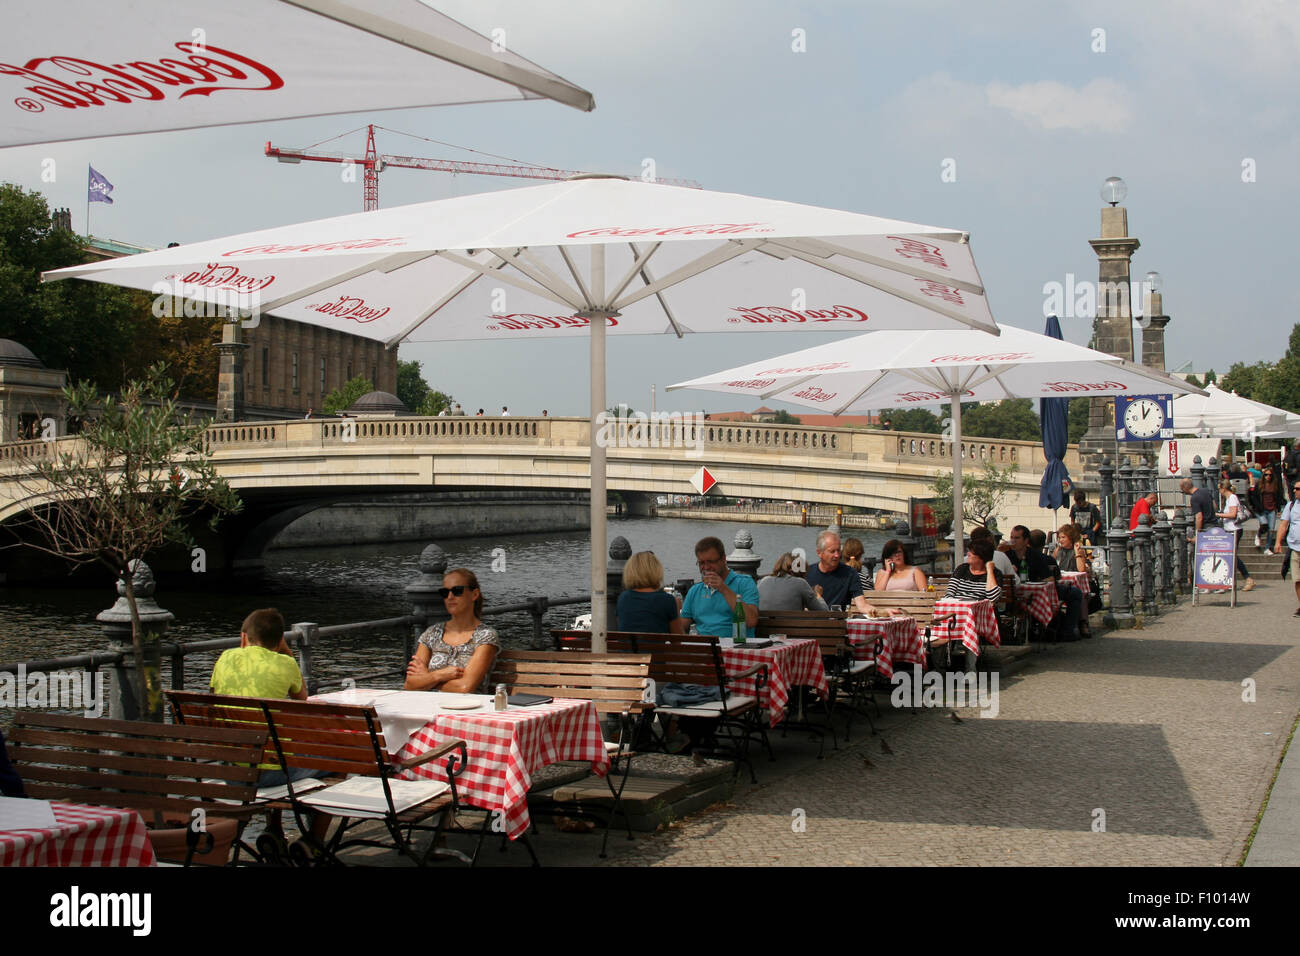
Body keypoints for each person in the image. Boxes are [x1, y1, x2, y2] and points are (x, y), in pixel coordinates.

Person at [405, 569, 500, 692]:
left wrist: (426, 678)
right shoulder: (432, 633)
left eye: (457, 591)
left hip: (468, 707)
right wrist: (439, 675)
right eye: (445, 592)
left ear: (474, 594)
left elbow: (465, 687)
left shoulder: (485, 636)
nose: (450, 597)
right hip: (429, 705)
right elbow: (410, 685)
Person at [211, 608, 308, 702]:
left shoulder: (226, 656)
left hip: (225, 718)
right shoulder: (287, 663)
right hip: (265, 718)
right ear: (280, 642)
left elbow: (213, 693)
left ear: (244, 637)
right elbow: (302, 699)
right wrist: (287, 652)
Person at [680, 536, 760, 639]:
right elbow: (682, 626)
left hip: (736, 647)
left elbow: (751, 621)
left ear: (723, 559)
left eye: (711, 562)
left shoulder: (744, 583)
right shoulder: (695, 591)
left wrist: (723, 588)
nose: (706, 567)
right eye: (702, 563)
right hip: (704, 649)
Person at [617, 551, 685, 633]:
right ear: (656, 570)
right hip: (655, 646)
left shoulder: (623, 598)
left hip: (629, 646)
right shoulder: (667, 600)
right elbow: (677, 640)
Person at [804, 530, 870, 613]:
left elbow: (862, 605)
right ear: (819, 553)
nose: (837, 555)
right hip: (812, 623)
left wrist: (882, 612)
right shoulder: (807, 574)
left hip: (838, 623)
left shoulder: (850, 573)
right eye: (832, 551)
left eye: (838, 551)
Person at [1217, 482, 1256, 592]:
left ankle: (1247, 578)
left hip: (1234, 529)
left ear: (1224, 488)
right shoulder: (1229, 499)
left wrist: (1218, 515)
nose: (1219, 491)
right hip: (1230, 529)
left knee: (1232, 555)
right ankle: (1230, 581)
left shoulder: (1232, 498)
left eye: (1220, 489)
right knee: (1230, 556)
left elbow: (1233, 514)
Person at [758, 552, 828, 611]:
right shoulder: (800, 583)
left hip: (764, 627)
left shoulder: (763, 581)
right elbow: (824, 612)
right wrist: (818, 595)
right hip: (790, 626)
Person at [1272, 478, 1300, 616]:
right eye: (1294, 488)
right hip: (1295, 548)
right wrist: (1278, 542)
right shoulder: (1291, 505)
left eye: (1298, 489)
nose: (1295, 491)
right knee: (1297, 579)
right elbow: (1283, 525)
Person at [1258, 465, 1287, 554]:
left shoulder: (1275, 485)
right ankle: (1258, 536)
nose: (1268, 477)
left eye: (1270, 475)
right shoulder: (1260, 485)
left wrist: (1278, 509)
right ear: (1263, 475)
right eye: (1266, 475)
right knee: (1263, 526)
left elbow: (1279, 497)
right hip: (1263, 508)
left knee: (1271, 529)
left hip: (1272, 509)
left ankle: (1267, 547)